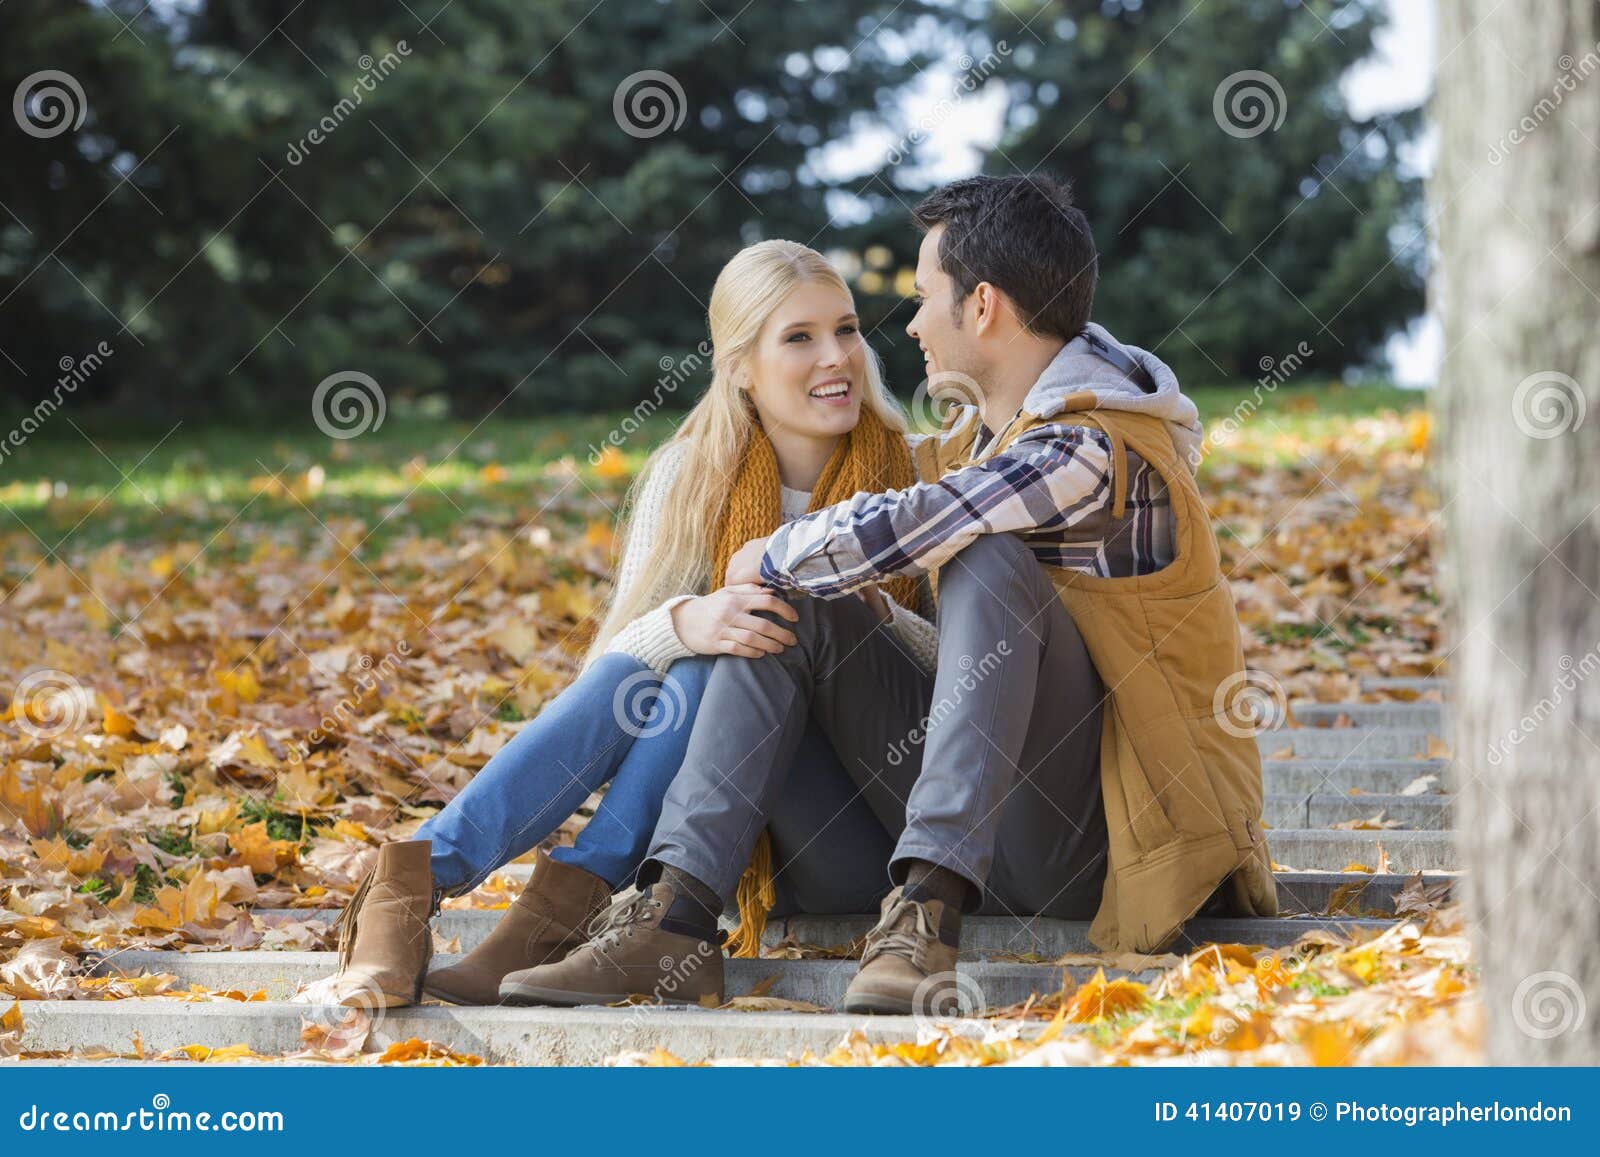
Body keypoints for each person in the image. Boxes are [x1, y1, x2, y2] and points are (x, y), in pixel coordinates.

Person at [499, 174, 1277, 1015]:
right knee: (791, 610)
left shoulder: (1094, 447)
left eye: (922, 297)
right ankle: (672, 922)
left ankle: (927, 916)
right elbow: (891, 496)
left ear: (981, 307)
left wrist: (772, 548)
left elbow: (926, 518)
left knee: (985, 559)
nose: (906, 327)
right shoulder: (984, 441)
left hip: (1103, 847)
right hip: (973, 823)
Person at [320, 239, 938, 1009]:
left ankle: (473, 897)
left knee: (740, 640)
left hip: (863, 832)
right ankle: (424, 885)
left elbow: (959, 683)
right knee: (699, 649)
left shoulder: (918, 473)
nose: (836, 357)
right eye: (799, 337)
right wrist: (687, 620)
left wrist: (857, 618)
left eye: (846, 329)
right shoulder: (691, 476)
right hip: (722, 836)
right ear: (739, 364)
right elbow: (612, 685)